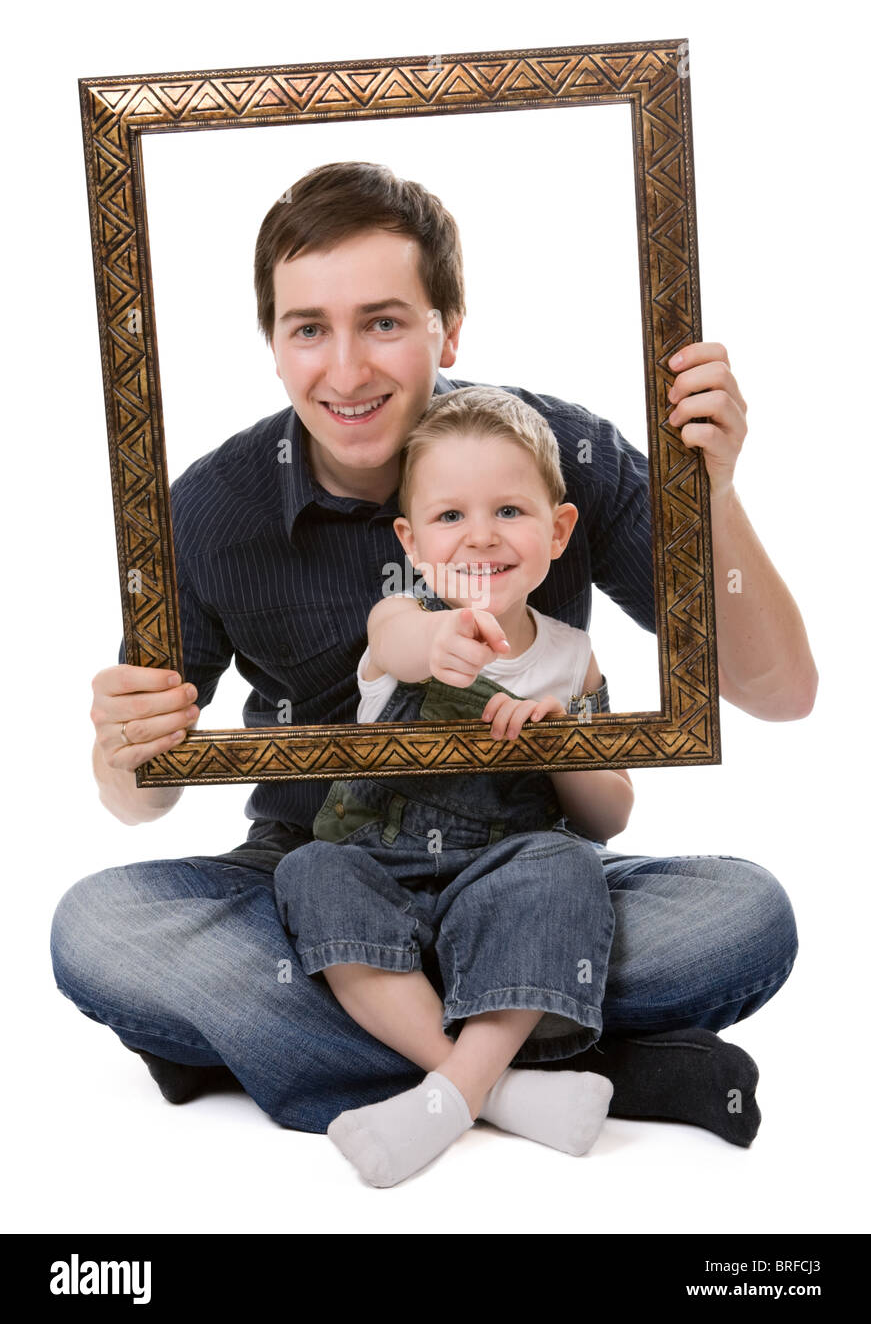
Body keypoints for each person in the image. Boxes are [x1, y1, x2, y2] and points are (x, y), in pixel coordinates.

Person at [52, 161, 811, 1148]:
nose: (347, 369)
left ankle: (316, 1051)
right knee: (97, 927)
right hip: (316, 877)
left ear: (448, 327)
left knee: (745, 915)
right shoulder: (212, 508)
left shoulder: (558, 455)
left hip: (527, 871)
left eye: (383, 321)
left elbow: (779, 691)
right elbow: (143, 794)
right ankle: (539, 1067)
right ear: (275, 344)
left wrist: (711, 491)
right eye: (308, 328)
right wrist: (123, 758)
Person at [274, 386, 628, 1187]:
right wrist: (440, 641)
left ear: (558, 530)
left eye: (509, 511)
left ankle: (443, 1089)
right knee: (308, 873)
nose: (480, 537)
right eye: (448, 518)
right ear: (411, 539)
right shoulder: (400, 617)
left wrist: (561, 747)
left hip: (503, 886)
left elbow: (609, 818)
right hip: (380, 869)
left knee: (570, 867)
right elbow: (398, 644)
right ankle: (485, 1089)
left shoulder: (572, 659)